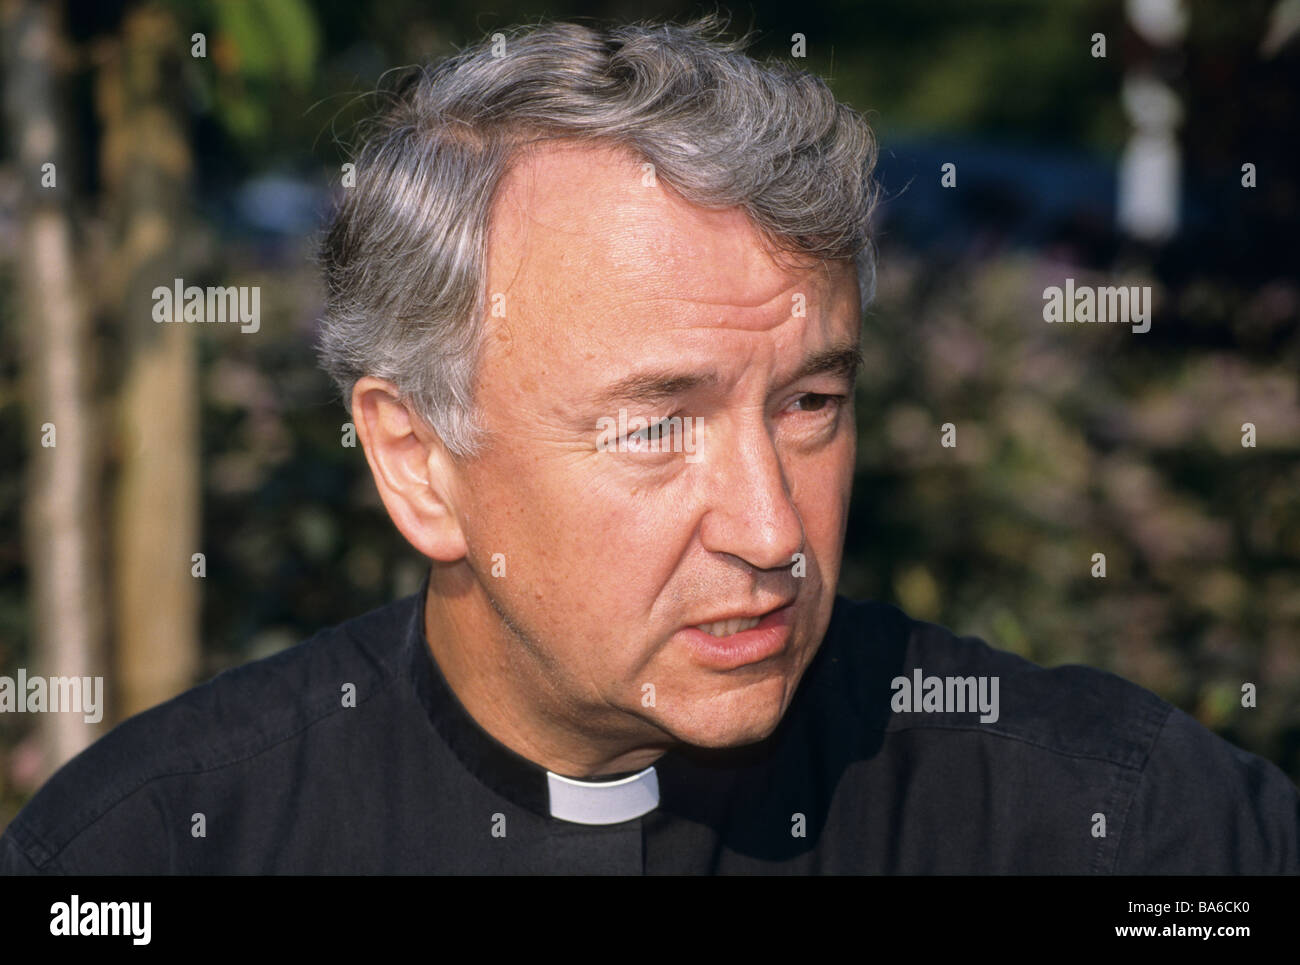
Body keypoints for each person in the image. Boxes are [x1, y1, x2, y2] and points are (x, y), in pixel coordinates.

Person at [3, 17, 1296, 874]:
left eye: (810, 404)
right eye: (655, 423)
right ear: (417, 460)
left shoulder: (1112, 824)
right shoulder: (158, 851)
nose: (772, 530)